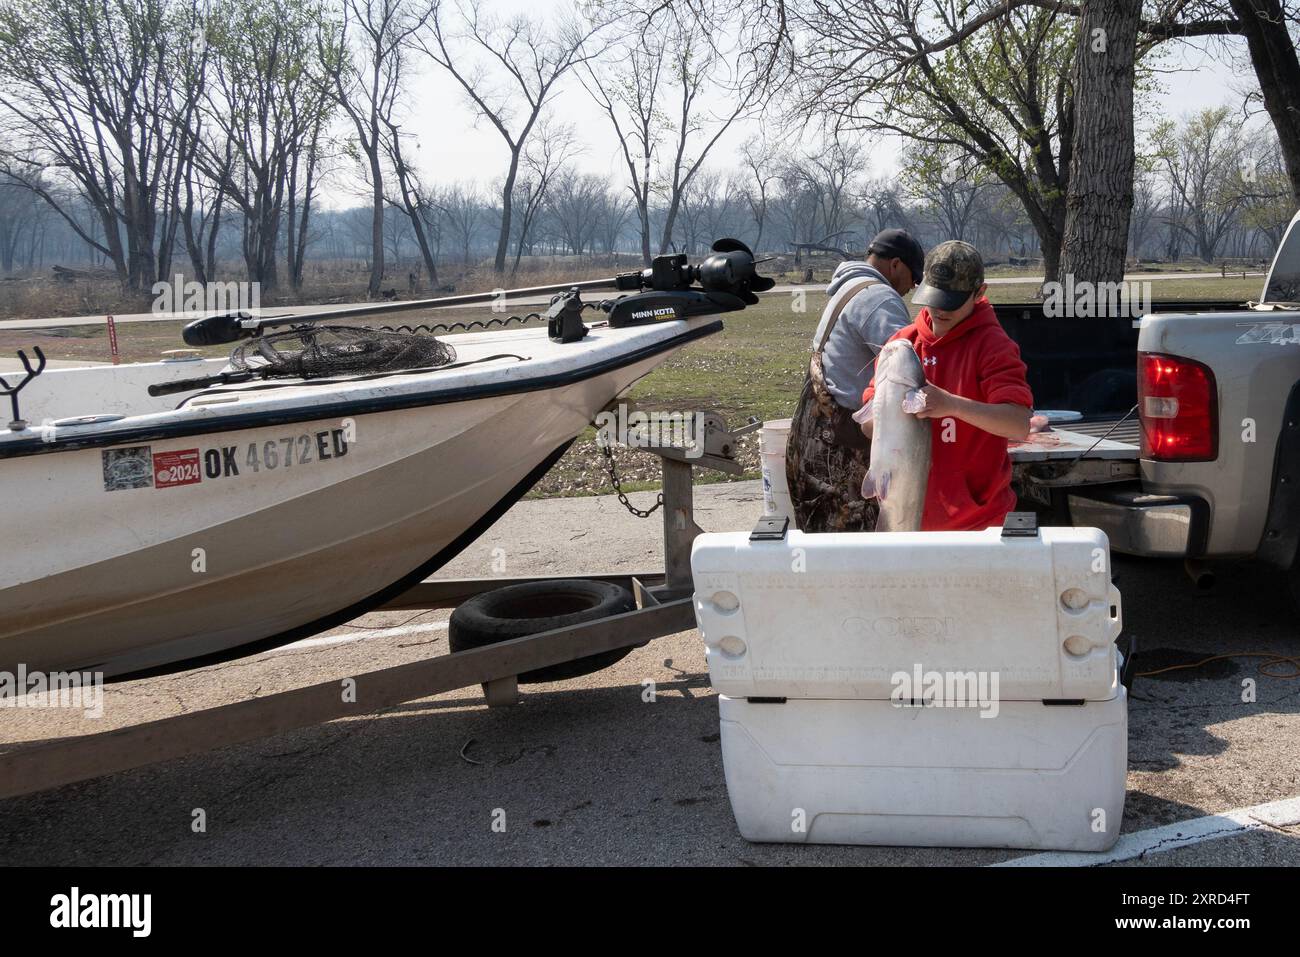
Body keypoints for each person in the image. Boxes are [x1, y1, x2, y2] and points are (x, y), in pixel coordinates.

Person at [859, 240, 1033, 532]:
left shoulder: (994, 347)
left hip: (977, 525)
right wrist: (885, 414)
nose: (940, 310)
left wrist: (951, 405)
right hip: (911, 519)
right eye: (934, 297)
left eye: (951, 301)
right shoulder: (902, 346)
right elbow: (867, 426)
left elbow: (1018, 425)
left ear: (979, 293)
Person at [785, 228, 925, 532]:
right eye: (913, 279)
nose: (911, 289)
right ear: (896, 265)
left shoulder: (848, 289)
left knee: (826, 551)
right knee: (860, 557)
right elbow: (907, 367)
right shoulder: (880, 298)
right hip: (839, 452)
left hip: (810, 442)